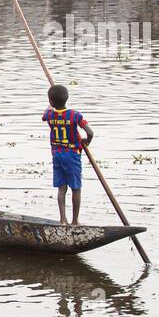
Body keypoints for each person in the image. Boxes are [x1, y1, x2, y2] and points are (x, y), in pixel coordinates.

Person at [42, 83, 95, 225]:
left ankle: (62, 220)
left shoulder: (49, 114)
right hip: (72, 155)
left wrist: (50, 105)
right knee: (76, 188)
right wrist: (87, 142)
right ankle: (75, 221)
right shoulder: (75, 115)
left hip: (57, 154)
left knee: (62, 188)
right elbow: (90, 132)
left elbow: (44, 114)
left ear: (51, 101)